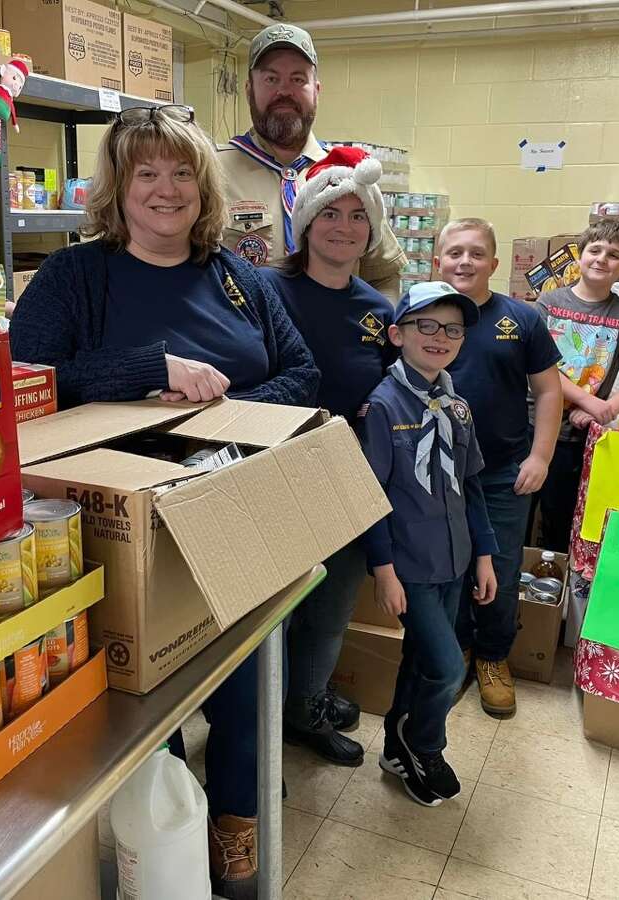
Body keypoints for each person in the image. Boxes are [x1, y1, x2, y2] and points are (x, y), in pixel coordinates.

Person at [8, 104, 317, 898]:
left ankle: (237, 823)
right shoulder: (75, 277)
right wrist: (152, 370)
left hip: (240, 503)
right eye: (145, 172)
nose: (166, 188)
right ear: (118, 186)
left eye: (182, 172)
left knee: (252, 678)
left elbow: (302, 373)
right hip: (127, 521)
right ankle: (167, 825)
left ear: (203, 187)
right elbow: (24, 383)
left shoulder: (239, 277)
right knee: (151, 692)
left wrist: (225, 421)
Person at [257, 145, 393, 767]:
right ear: (307, 223)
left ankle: (306, 704)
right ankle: (265, 715)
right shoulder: (267, 290)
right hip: (276, 475)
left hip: (348, 478)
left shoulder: (379, 311)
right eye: (331, 213)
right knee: (275, 613)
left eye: (358, 215)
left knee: (333, 606)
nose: (344, 226)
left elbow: (393, 391)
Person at [359, 281, 498, 807]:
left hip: (455, 559)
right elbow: (369, 496)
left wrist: (483, 555)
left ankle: (396, 747)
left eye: (453, 330)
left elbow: (471, 484)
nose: (440, 337)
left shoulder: (456, 405)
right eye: (427, 325)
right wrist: (383, 569)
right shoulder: (382, 406)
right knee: (447, 666)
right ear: (398, 334)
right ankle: (425, 744)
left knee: (421, 659)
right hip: (410, 565)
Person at [434, 219, 563, 719]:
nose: (464, 262)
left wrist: (540, 456)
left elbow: (548, 391)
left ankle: (492, 657)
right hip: (437, 471)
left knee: (501, 571)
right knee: (447, 567)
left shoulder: (522, 319)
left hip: (504, 472)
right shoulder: (425, 316)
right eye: (455, 253)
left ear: (494, 263)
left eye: (476, 253)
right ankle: (456, 653)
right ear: (438, 261)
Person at [218, 22, 405, 297]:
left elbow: (384, 274)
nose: (284, 91)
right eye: (271, 79)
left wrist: (370, 323)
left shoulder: (348, 172)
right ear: (248, 90)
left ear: (316, 90)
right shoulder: (212, 172)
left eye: (298, 79)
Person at [535, 220, 619, 553]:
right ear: (580, 255)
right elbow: (538, 366)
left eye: (614, 255)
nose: (602, 259)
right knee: (518, 514)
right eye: (595, 250)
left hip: (574, 438)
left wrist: (607, 409)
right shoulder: (549, 303)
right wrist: (587, 400)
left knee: (560, 520)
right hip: (531, 426)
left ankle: (553, 579)